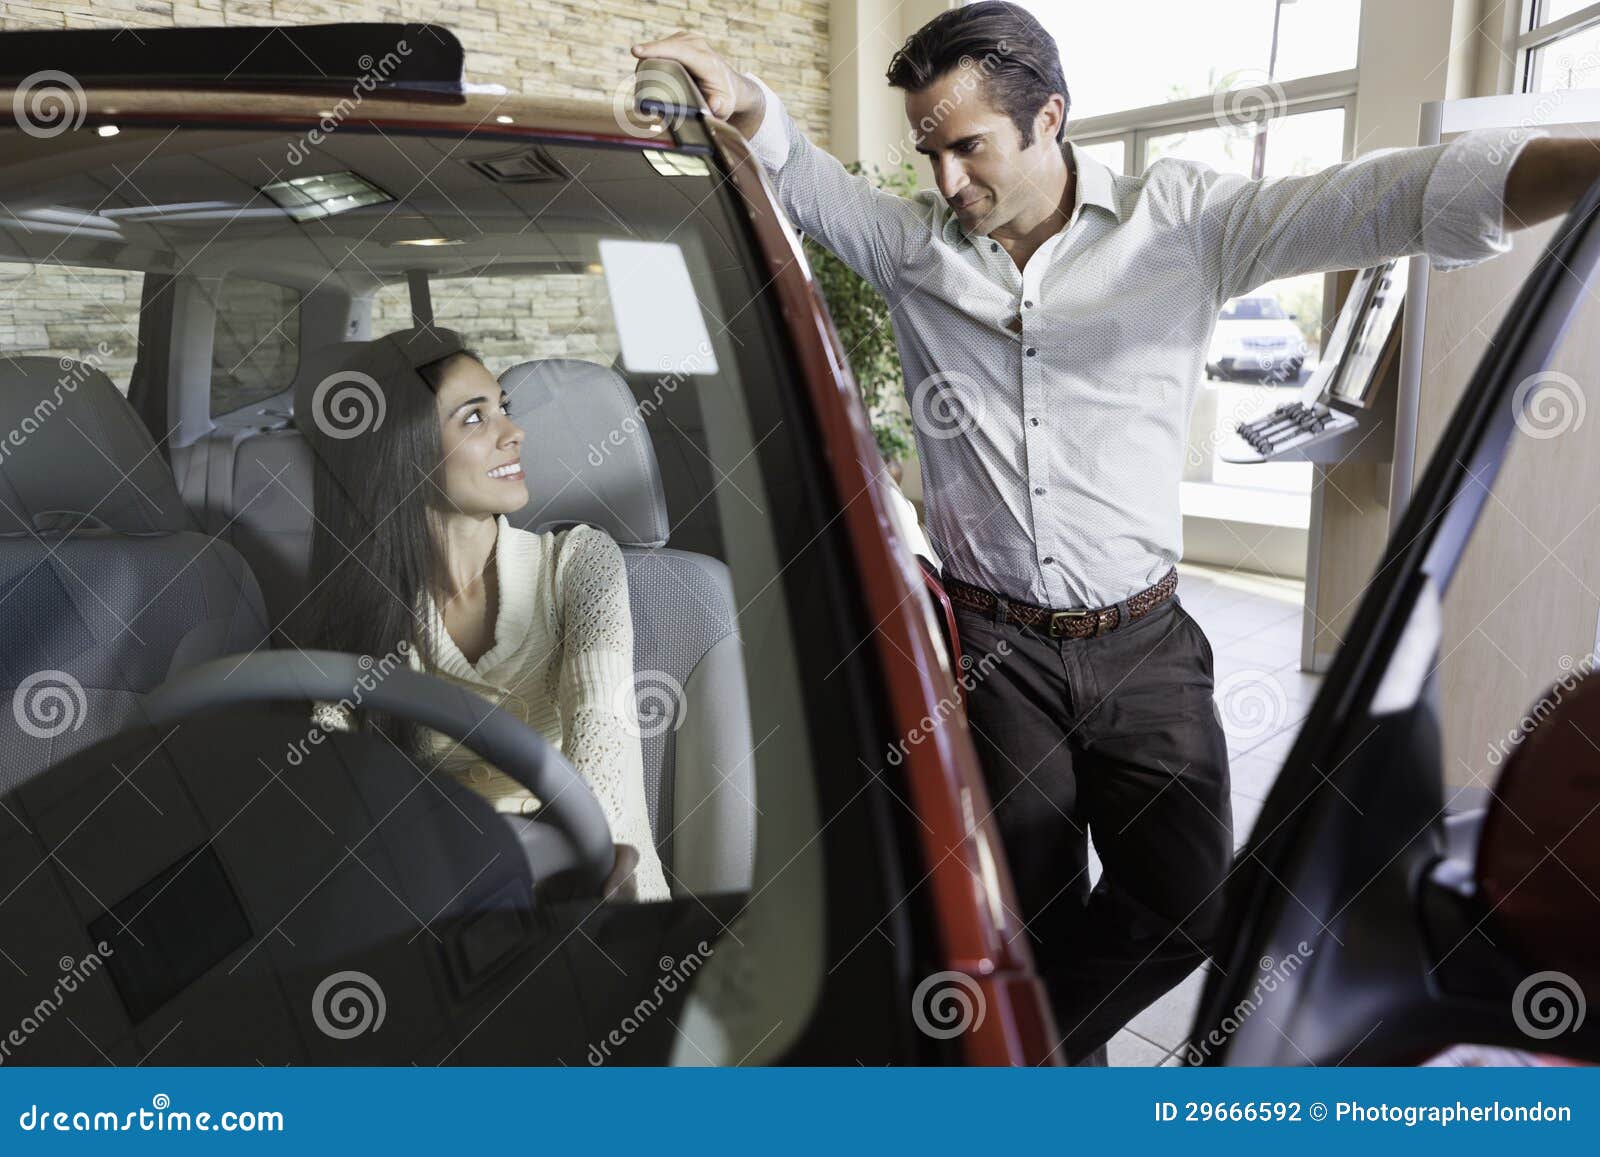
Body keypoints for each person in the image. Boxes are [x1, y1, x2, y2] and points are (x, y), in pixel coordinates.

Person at [631, 3, 1600, 1060]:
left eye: (968, 148)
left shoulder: (1180, 222)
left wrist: (1587, 164)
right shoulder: (916, 251)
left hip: (1145, 646)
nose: (947, 182)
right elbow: (798, 171)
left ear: (1048, 118)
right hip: (997, 656)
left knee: (1184, 906)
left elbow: (1384, 199)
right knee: (1033, 924)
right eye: (928, 151)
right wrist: (737, 88)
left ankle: (1000, 1073)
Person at [290, 327, 669, 903]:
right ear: (404, 449)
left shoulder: (579, 562)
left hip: (592, 896)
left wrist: (583, 870)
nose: (514, 434)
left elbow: (602, 730)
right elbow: (331, 787)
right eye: (475, 418)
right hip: (434, 908)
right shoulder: (361, 606)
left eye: (505, 410)